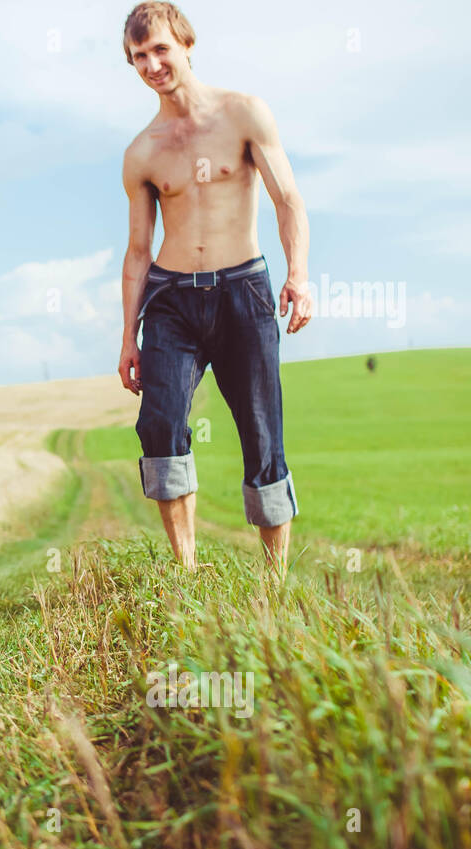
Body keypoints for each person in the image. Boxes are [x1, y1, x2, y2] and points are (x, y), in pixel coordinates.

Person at [115, 1, 314, 574]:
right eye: (138, 57)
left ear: (186, 43)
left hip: (242, 293)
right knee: (158, 421)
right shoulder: (142, 152)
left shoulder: (244, 113)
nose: (152, 64)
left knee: (262, 432)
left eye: (160, 49)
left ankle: (275, 584)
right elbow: (136, 253)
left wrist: (298, 273)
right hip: (171, 300)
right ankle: (186, 573)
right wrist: (128, 337)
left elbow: (288, 201)